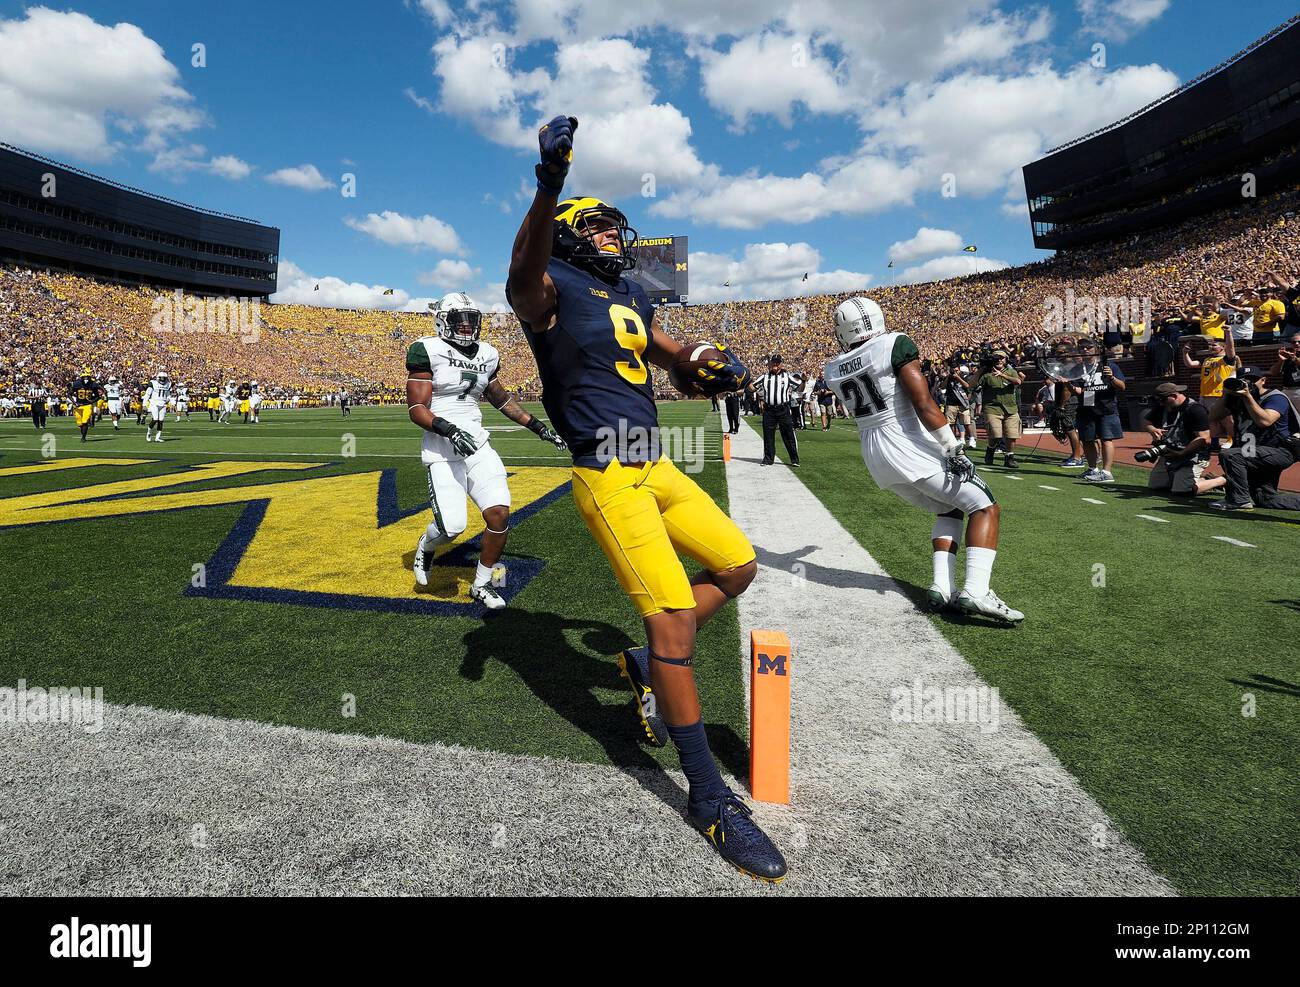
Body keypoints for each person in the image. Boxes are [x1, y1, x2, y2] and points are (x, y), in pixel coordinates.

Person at [506, 114, 784, 882]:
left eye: (610, 227)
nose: (609, 236)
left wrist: (707, 363)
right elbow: (518, 279)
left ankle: (642, 662)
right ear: (565, 234)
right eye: (593, 226)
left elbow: (671, 358)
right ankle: (707, 797)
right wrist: (549, 185)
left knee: (738, 565)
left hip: (654, 461)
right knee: (672, 627)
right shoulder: (550, 286)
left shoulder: (629, 291)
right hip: (604, 469)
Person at [822, 296, 1023, 624]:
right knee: (985, 506)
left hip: (874, 452)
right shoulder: (893, 344)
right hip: (908, 445)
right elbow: (924, 403)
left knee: (950, 507)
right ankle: (976, 590)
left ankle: (942, 587)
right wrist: (951, 446)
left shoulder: (832, 369)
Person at [406, 291, 567, 609]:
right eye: (459, 320)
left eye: (470, 320)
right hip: (443, 448)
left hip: (477, 444)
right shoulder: (428, 349)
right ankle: (426, 546)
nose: (466, 326)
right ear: (442, 322)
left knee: (499, 514)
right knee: (451, 528)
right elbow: (416, 408)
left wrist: (538, 427)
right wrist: (449, 429)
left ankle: (481, 584)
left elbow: (501, 399)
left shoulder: (488, 354)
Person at [1208, 369, 1300, 512]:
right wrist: (1225, 394)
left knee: (1231, 454)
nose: (1248, 383)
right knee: (1265, 498)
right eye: (1243, 379)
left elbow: (1265, 421)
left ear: (1263, 380)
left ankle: (1239, 500)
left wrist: (1248, 397)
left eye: (1252, 379)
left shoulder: (1275, 397)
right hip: (1254, 453)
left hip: (1279, 451)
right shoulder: (1236, 399)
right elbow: (1212, 416)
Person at [1142, 382, 1224, 498]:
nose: (1160, 403)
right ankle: (1186, 478)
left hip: (1193, 455)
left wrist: (1181, 453)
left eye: (1163, 400)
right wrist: (1152, 429)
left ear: (1174, 396)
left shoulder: (1196, 410)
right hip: (1171, 453)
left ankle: (1221, 480)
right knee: (1156, 486)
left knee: (1182, 491)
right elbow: (1146, 421)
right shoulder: (1164, 406)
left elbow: (1204, 439)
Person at [1067, 340, 1126, 482]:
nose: (1086, 349)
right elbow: (1079, 391)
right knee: (1087, 439)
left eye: (1089, 347)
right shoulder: (1077, 369)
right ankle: (1093, 468)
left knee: (1106, 439)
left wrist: (1112, 377)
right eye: (1082, 347)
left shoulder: (1109, 365)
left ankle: (1107, 472)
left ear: (1096, 349)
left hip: (1106, 405)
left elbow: (1122, 386)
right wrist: (1067, 384)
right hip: (1087, 404)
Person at [976, 351, 1024, 469]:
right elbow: (970, 385)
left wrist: (1002, 375)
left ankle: (1009, 457)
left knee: (1011, 434)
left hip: (1010, 408)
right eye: (996, 358)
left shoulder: (1011, 371)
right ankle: (990, 449)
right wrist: (981, 369)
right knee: (996, 435)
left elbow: (1018, 381)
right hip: (992, 408)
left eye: (1002, 358)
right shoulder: (987, 374)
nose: (999, 360)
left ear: (1006, 359)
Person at [755, 354, 800, 467]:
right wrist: (745, 382)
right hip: (769, 410)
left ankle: (794, 459)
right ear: (770, 364)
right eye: (773, 362)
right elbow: (753, 387)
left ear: (781, 364)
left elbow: (799, 387)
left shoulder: (787, 376)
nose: (775, 364)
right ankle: (768, 459)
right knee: (768, 435)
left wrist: (803, 381)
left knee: (788, 434)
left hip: (783, 408)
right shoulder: (764, 377)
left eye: (777, 362)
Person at [69, 368, 100, 443]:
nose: (86, 379)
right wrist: (74, 402)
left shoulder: (93, 384)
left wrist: (92, 401)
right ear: (81, 378)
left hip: (87, 405)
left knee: (85, 421)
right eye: (84, 377)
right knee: (80, 424)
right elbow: (69, 394)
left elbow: (98, 396)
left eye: (87, 377)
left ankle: (83, 437)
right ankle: (83, 435)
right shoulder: (77, 384)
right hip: (78, 406)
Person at [143, 370, 171, 443]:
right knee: (155, 419)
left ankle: (157, 437)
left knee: (161, 421)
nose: (163, 379)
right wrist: (144, 405)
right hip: (154, 403)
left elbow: (168, 394)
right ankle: (149, 433)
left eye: (164, 378)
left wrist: (168, 399)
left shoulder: (168, 384)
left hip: (163, 403)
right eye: (162, 378)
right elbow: (147, 394)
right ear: (158, 378)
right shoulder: (153, 383)